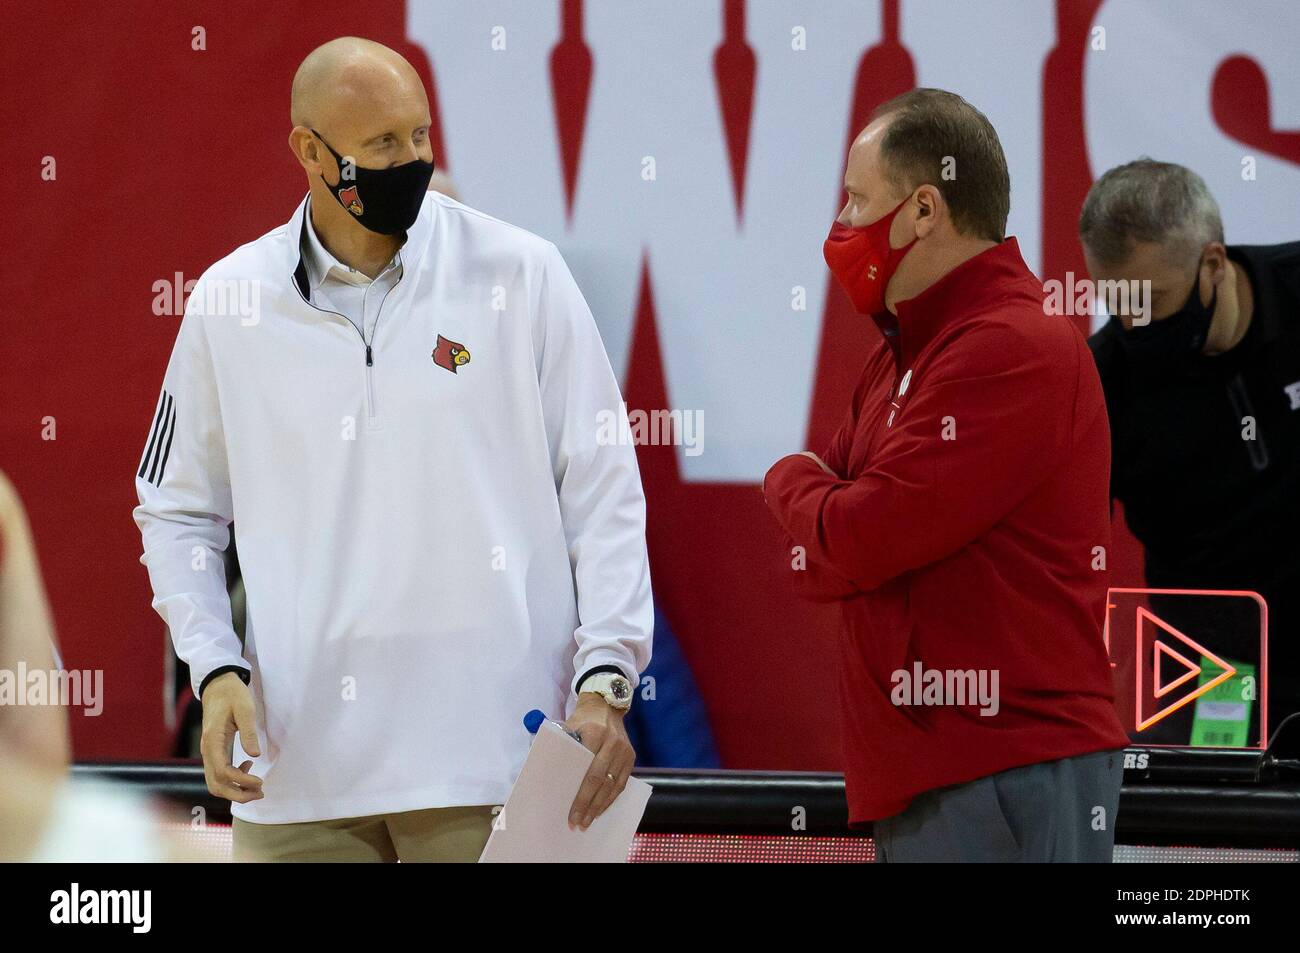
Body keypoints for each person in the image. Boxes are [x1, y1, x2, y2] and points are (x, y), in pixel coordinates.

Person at [134, 36, 653, 862]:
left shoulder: (521, 275)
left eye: (419, 136)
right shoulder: (229, 302)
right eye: (382, 144)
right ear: (309, 151)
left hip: (501, 766)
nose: (409, 159)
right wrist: (214, 665)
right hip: (296, 777)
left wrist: (607, 677)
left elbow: (604, 489)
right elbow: (175, 510)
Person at [763, 88, 1129, 862]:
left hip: (1005, 767)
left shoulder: (1008, 346)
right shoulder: (901, 353)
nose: (843, 226)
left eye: (858, 200)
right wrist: (831, 510)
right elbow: (818, 559)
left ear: (924, 209)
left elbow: (857, 535)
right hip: (937, 773)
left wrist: (787, 477)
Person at [1082, 159, 1300, 734]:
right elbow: (1064, 561)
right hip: (1216, 669)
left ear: (1212, 264)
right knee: (1219, 813)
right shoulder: (1101, 387)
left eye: (1149, 302)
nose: (1132, 326)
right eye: (1116, 302)